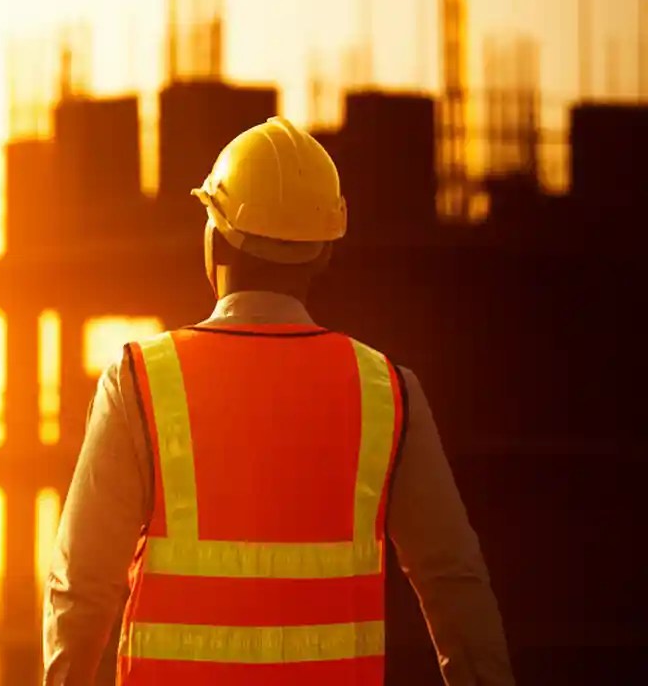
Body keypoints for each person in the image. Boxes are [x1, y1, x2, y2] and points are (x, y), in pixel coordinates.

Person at [42, 117, 514, 685]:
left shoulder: (140, 381)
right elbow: (454, 583)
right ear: (323, 256)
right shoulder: (387, 392)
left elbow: (82, 590)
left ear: (216, 239)